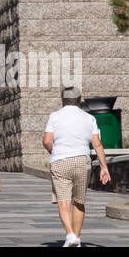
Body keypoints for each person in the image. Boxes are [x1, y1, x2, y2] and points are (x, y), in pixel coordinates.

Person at [43, 85, 111, 247]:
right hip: (82, 160)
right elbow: (97, 144)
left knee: (63, 202)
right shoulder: (89, 118)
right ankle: (77, 238)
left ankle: (70, 235)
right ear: (79, 100)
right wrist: (104, 167)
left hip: (61, 161)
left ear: (62, 100)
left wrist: (54, 151)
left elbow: (47, 141)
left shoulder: (54, 116)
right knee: (79, 202)